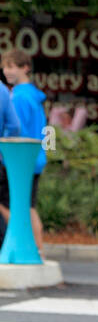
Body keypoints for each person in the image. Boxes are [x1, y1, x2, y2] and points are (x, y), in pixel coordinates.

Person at [0, 50, 46, 248]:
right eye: (5, 66)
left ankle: (21, 243)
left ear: (25, 67)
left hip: (17, 158)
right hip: (35, 158)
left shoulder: (17, 97)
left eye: (12, 66)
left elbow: (14, 129)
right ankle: (39, 249)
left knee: (15, 207)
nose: (6, 71)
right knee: (29, 207)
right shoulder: (34, 96)